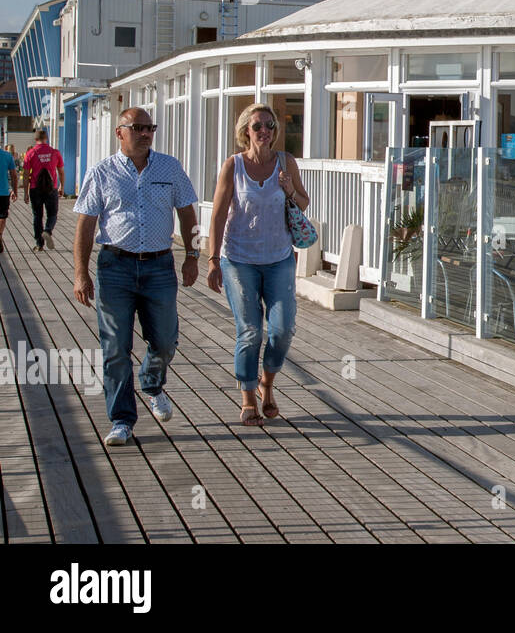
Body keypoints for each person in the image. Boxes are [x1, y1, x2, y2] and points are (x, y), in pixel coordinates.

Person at [72, 108, 200, 447]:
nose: (145, 133)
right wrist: (80, 274)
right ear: (120, 132)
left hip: (159, 267)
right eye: (138, 128)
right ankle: (121, 419)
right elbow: (86, 224)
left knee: (164, 340)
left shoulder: (169, 167)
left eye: (150, 128)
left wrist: (193, 255)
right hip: (115, 267)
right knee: (115, 348)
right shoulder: (101, 172)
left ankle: (152, 382)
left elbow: (188, 212)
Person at [206, 103, 309, 427]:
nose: (265, 131)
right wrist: (211, 260)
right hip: (239, 260)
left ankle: (268, 383)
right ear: (245, 132)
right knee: (250, 331)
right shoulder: (232, 166)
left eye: (270, 126)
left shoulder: (285, 162)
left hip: (279, 258)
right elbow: (219, 214)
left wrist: (290, 189)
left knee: (281, 330)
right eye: (258, 126)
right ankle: (249, 397)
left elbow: (304, 202)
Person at [24, 128, 65, 251]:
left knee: (37, 216)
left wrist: (25, 193)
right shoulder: (55, 152)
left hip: (35, 188)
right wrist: (61, 186)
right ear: (46, 138)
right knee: (52, 214)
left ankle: (39, 244)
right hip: (51, 188)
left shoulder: (30, 153)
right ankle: (47, 231)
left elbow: (26, 174)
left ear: (35, 139)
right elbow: (61, 172)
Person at [0, 144, 16, 253]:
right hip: (3, 192)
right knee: (2, 216)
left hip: (4, 191)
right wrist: (14, 190)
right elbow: (14, 175)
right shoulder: (7, 156)